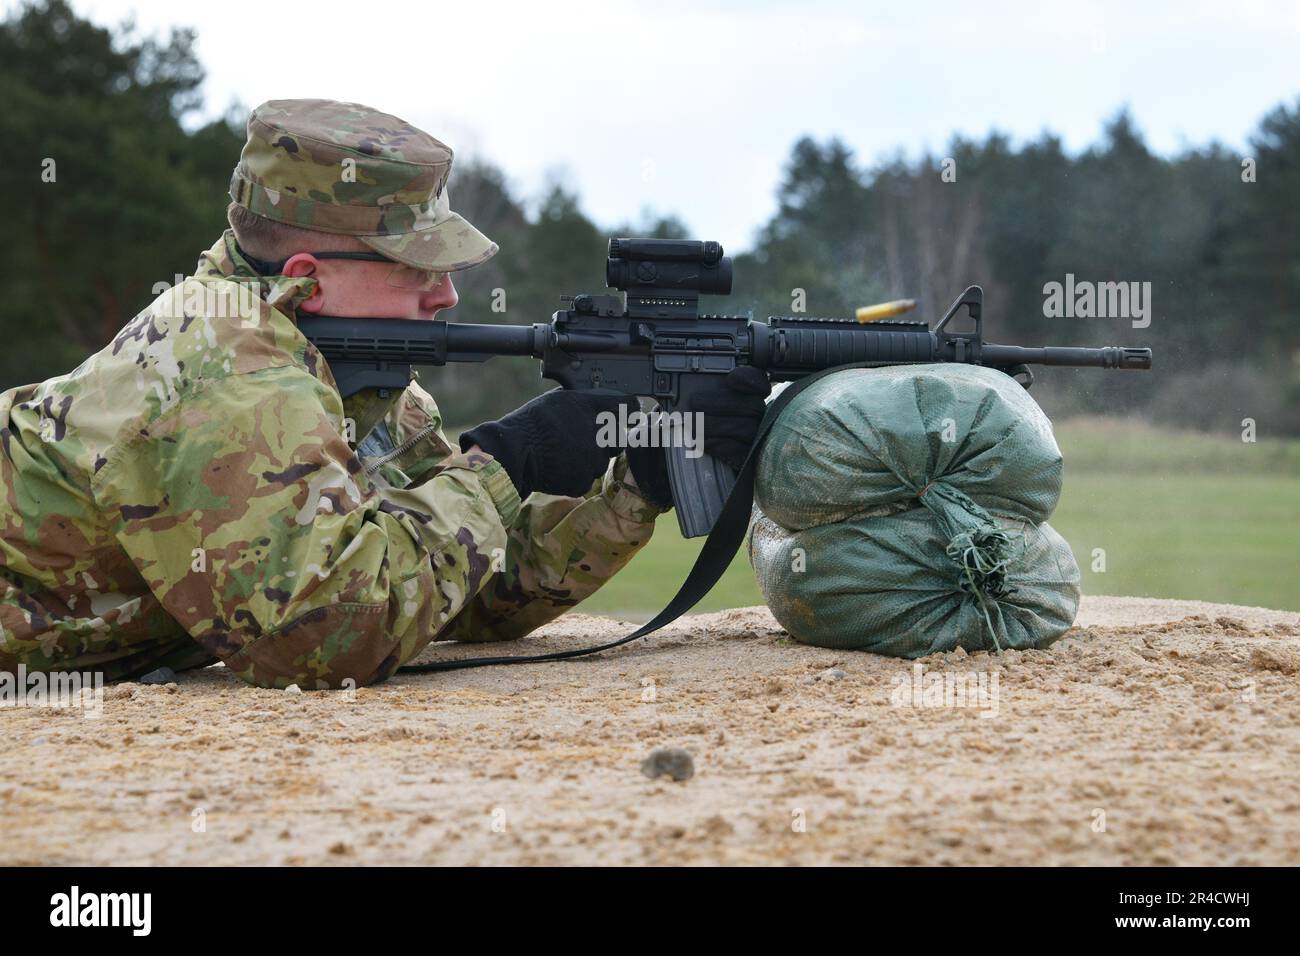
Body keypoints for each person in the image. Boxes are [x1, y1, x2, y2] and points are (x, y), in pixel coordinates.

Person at [0, 98, 768, 689]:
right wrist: (513, 458)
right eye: (415, 269)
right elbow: (323, 635)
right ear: (309, 276)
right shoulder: (221, 368)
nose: (445, 297)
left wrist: (638, 483)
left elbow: (466, 591)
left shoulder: (353, 385)